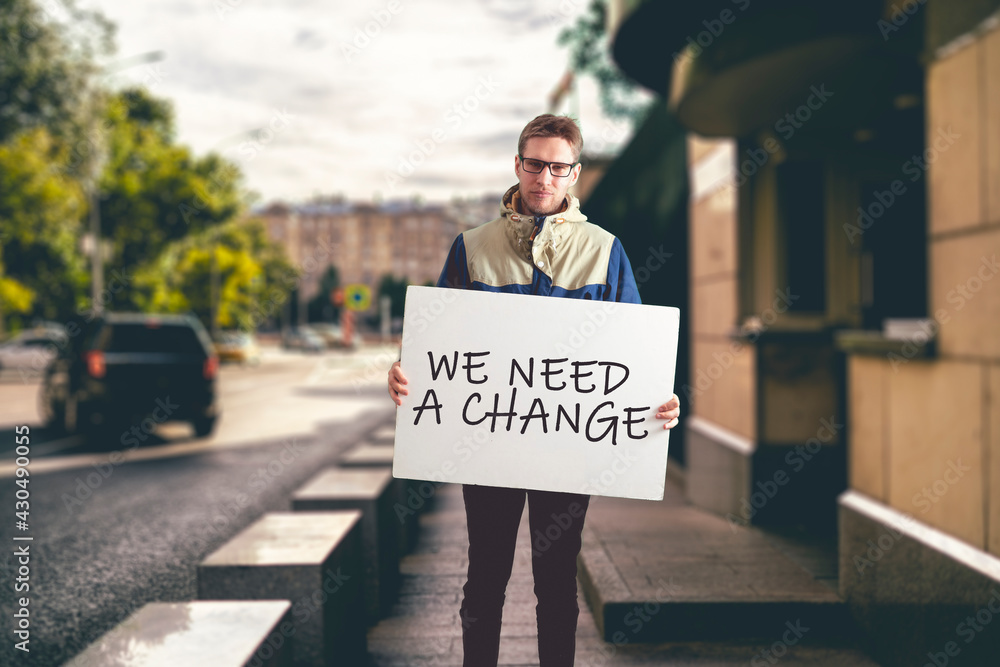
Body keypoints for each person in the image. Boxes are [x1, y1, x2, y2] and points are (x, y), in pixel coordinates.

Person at [387, 114, 681, 667]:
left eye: (557, 166)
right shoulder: (471, 248)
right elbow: (438, 347)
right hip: (488, 448)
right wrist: (404, 372)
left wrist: (660, 401)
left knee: (556, 586)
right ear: (518, 165)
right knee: (484, 581)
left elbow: (636, 355)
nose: (544, 177)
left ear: (574, 173)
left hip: (566, 452)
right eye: (534, 163)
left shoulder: (605, 251)